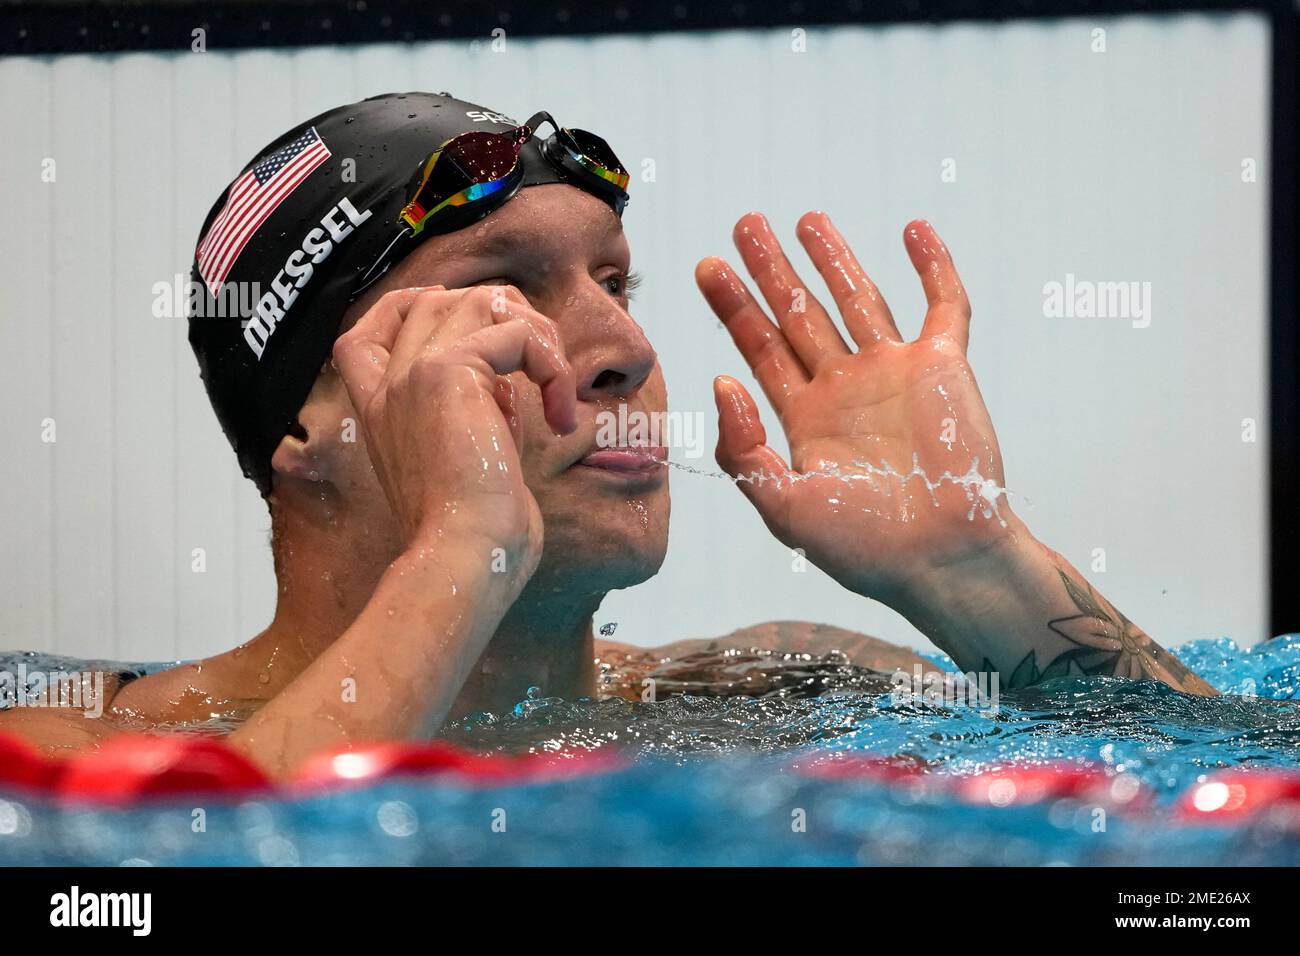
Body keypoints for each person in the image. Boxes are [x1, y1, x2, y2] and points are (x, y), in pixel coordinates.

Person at [0, 92, 1215, 777]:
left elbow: (1222, 798)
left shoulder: (778, 687)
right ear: (313, 415)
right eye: (507, 292)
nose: (625, 350)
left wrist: (978, 572)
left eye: (614, 287)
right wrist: (462, 546)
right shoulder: (76, 743)